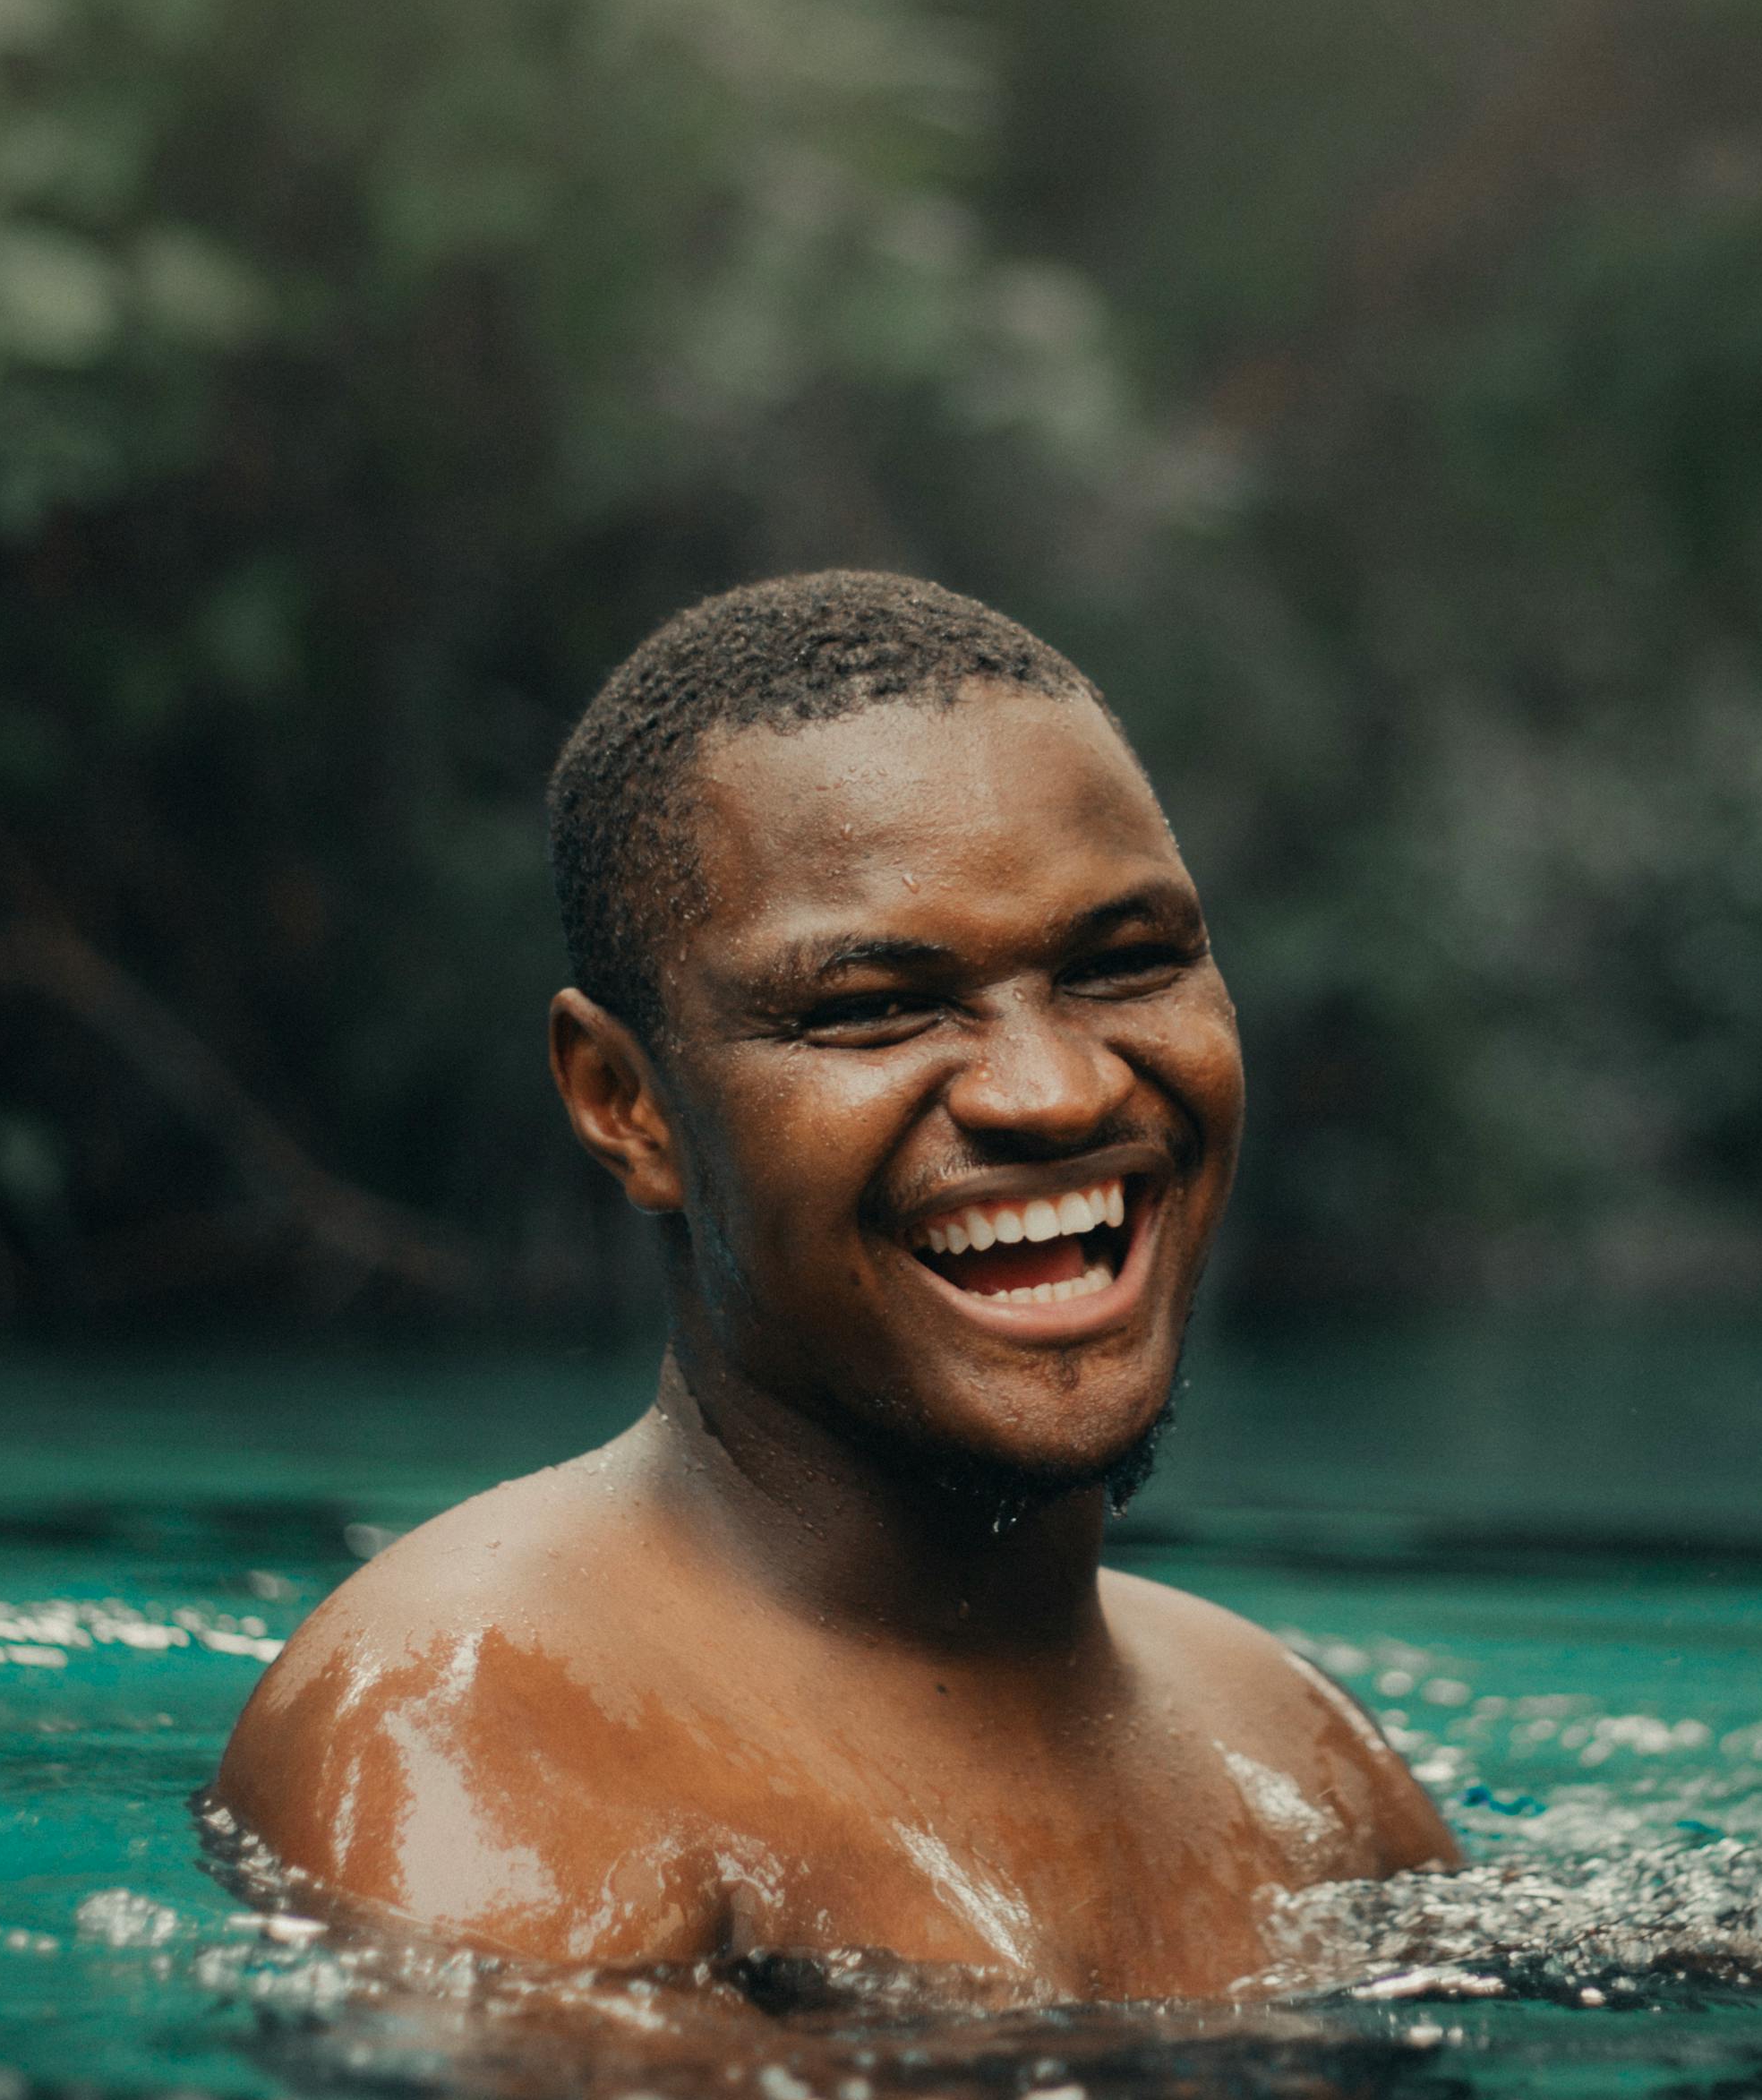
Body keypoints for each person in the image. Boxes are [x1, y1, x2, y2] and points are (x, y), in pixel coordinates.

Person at [212, 570, 1452, 1995]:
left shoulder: (1292, 1754)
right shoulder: (473, 1730)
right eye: (873, 1009)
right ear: (627, 1104)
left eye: (1125, 965)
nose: (1051, 1092)